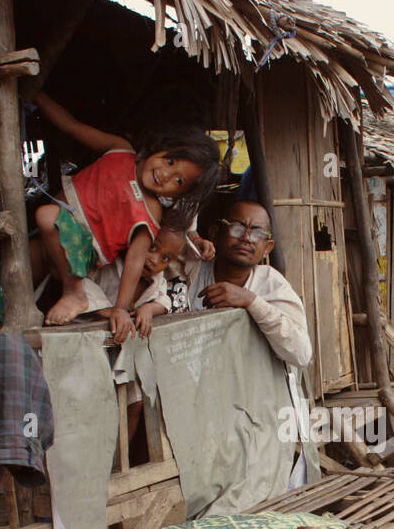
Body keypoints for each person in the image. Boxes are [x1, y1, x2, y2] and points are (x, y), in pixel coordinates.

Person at [33, 92, 219, 326]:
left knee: (47, 215)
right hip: (50, 240)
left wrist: (120, 309)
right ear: (160, 147)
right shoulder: (119, 150)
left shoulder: (151, 212)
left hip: (79, 252)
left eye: (179, 181)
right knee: (11, 274)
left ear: (179, 195)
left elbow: (135, 261)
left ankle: (74, 293)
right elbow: (72, 126)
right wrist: (38, 98)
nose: (165, 175)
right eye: (169, 162)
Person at [180, 200, 312, 369]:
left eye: (257, 234)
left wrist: (251, 301)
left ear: (267, 248)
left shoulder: (271, 284)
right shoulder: (192, 270)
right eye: (236, 228)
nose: (246, 238)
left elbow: (301, 354)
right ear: (215, 233)